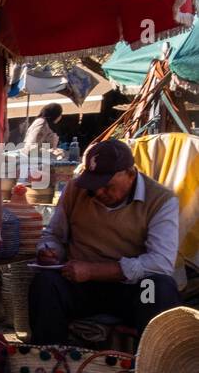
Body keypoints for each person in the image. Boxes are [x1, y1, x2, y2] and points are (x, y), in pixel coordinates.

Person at [28, 138, 181, 344]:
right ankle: (48, 361)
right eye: (93, 186)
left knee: (157, 287)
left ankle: (148, 362)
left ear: (130, 173)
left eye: (107, 186)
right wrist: (50, 251)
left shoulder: (161, 200)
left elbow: (160, 263)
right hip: (82, 288)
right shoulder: (75, 190)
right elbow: (54, 235)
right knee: (46, 283)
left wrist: (93, 270)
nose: (99, 192)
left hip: (131, 291)